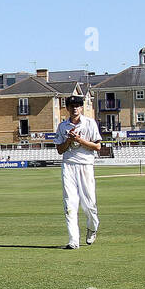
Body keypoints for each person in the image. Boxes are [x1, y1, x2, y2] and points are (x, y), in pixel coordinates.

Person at [54, 95, 102, 247]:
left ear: (81, 107)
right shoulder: (62, 126)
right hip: (68, 165)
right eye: (71, 105)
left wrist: (80, 140)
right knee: (70, 204)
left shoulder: (90, 123)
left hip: (85, 165)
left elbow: (98, 147)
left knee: (89, 204)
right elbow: (60, 150)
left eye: (78, 105)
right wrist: (69, 140)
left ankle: (92, 228)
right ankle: (73, 240)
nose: (75, 108)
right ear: (67, 108)